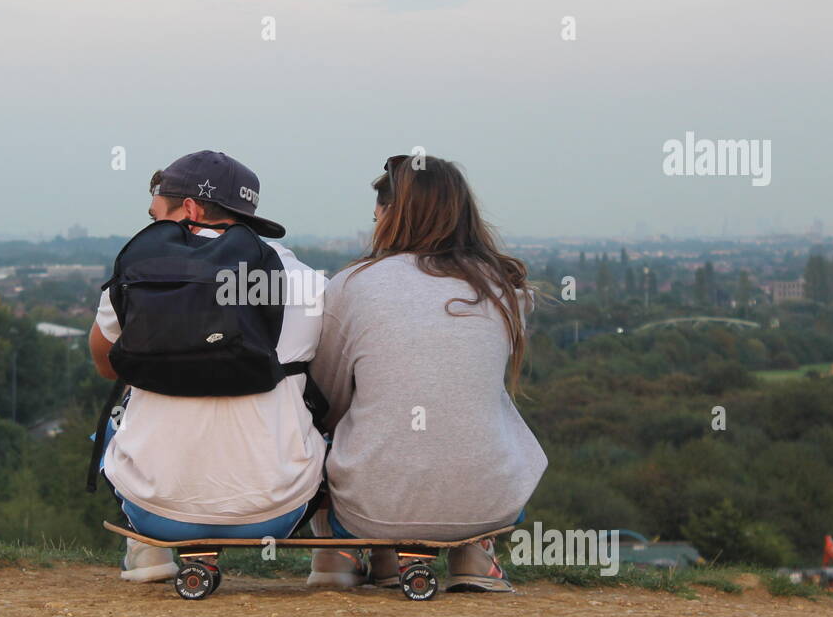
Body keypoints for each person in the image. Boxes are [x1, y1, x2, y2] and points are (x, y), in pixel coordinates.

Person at [307, 154, 547, 592]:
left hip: (371, 509)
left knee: (319, 428)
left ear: (391, 215)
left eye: (377, 213)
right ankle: (474, 552)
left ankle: (339, 556)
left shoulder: (352, 286)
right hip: (490, 502)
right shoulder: (503, 290)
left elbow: (326, 399)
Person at [89, 151, 328, 582]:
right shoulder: (310, 282)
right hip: (273, 513)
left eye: (157, 216)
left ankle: (148, 555)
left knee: (117, 411)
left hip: (156, 512)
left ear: (190, 209)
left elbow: (106, 366)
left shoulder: (140, 271)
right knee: (321, 408)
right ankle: (334, 563)